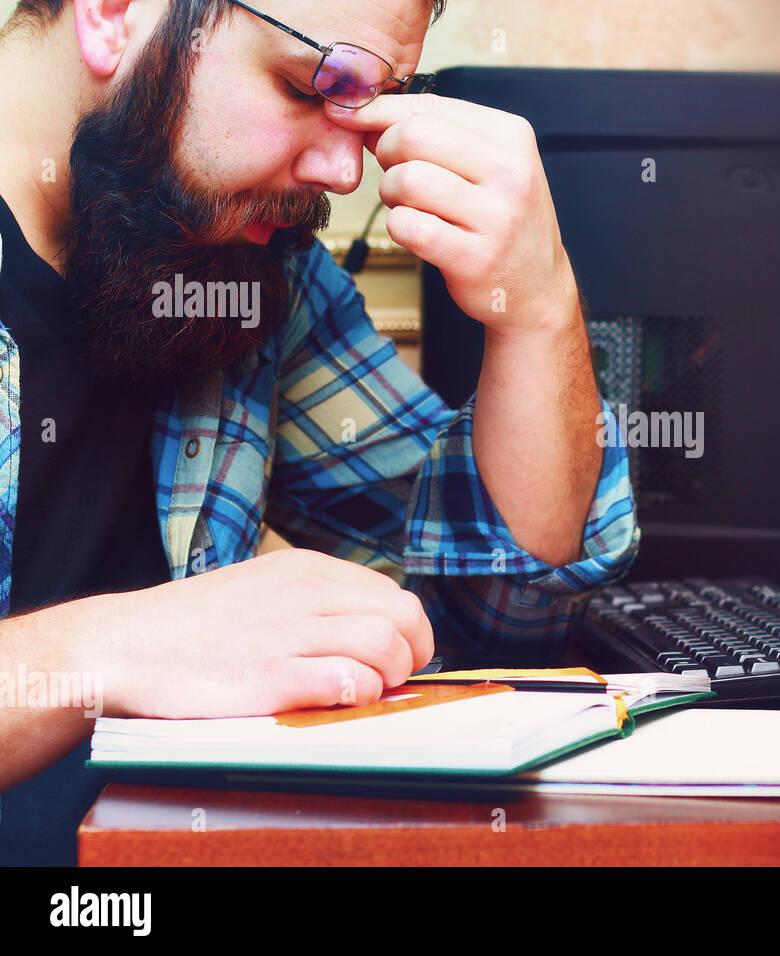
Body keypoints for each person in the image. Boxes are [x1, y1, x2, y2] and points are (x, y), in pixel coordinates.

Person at [0, 0, 639, 864]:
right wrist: (103, 649)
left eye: (368, 106)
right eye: (310, 85)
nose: (347, 174)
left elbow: (496, 613)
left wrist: (538, 309)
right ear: (114, 14)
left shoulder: (247, 268)